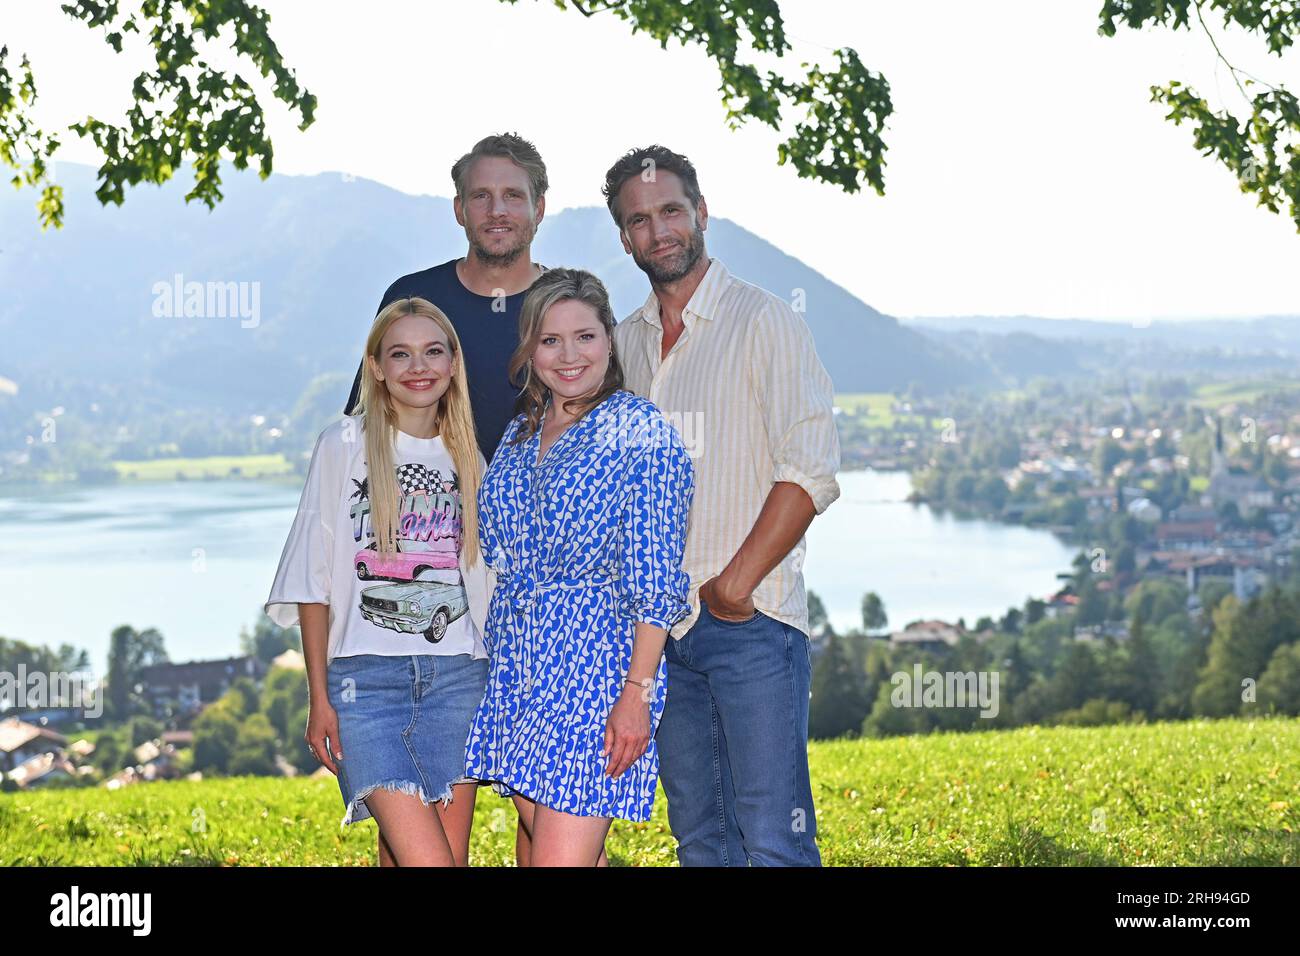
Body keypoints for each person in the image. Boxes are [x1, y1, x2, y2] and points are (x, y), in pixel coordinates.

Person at [602, 145, 841, 866]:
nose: (659, 230)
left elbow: (810, 470)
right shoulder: (623, 346)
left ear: (701, 213)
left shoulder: (765, 321)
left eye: (671, 210)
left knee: (774, 839)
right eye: (639, 220)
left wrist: (734, 586)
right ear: (625, 238)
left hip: (751, 624)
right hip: (660, 639)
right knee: (701, 842)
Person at [462, 267, 694, 866]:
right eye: (550, 340)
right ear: (529, 350)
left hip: (595, 673)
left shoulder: (640, 432)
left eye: (585, 336)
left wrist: (636, 695)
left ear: (610, 341)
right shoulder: (519, 433)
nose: (569, 356)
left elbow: (657, 581)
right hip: (518, 667)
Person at [266, 296, 494, 866]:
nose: (419, 367)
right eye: (401, 354)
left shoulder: (472, 455)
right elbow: (311, 583)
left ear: (452, 362)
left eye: (432, 351)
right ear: (376, 367)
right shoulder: (341, 446)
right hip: (363, 686)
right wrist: (318, 696)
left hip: (459, 680)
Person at [343, 132, 549, 462]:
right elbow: (365, 423)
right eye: (481, 196)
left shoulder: (572, 307)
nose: (497, 211)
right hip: (425, 509)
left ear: (538, 208)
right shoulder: (412, 299)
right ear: (459, 210)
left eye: (512, 195)